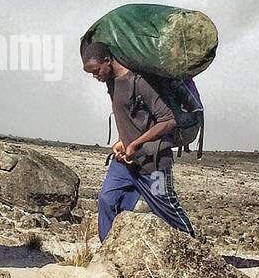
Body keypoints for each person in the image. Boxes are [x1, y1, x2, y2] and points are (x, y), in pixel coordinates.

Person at [81, 39, 195, 240]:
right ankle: (108, 251)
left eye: (96, 70)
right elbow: (127, 115)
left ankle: (195, 249)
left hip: (154, 164)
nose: (95, 76)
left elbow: (168, 121)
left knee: (166, 206)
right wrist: (121, 140)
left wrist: (135, 144)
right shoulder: (111, 82)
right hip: (125, 163)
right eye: (91, 73)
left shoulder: (140, 83)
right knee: (107, 199)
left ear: (108, 60)